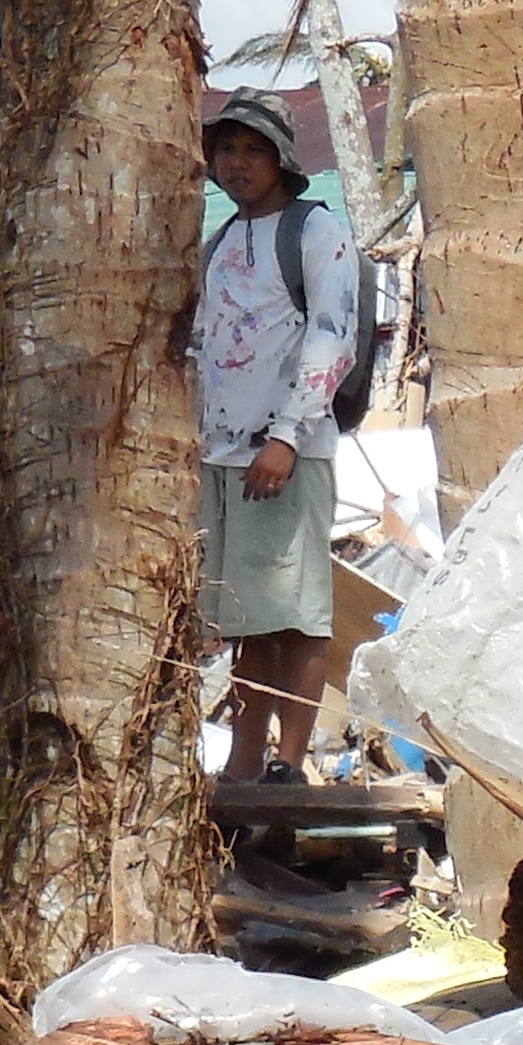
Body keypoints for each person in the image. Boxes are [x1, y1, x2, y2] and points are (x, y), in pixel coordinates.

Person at [193, 86, 356, 781]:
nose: (237, 164)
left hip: (288, 452)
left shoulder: (317, 233)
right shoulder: (220, 243)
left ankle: (287, 761)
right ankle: (242, 760)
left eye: (252, 150)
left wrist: (287, 437)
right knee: (246, 618)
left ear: (281, 158)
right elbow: (202, 346)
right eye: (226, 150)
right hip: (224, 454)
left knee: (297, 614)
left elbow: (332, 337)